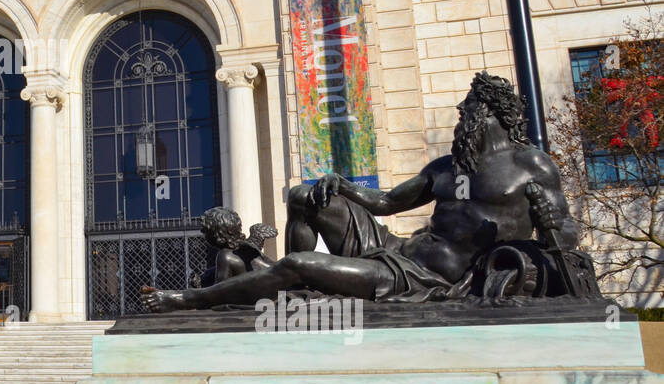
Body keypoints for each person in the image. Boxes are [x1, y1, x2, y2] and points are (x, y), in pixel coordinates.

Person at [143, 72, 585, 312]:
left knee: (302, 262)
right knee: (305, 195)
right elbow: (387, 203)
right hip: (393, 249)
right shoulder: (448, 168)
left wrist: (550, 228)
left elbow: (565, 237)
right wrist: (343, 184)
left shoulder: (531, 165)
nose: (460, 118)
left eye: (467, 110)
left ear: (489, 114)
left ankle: (195, 298)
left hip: (419, 279)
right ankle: (291, 282)